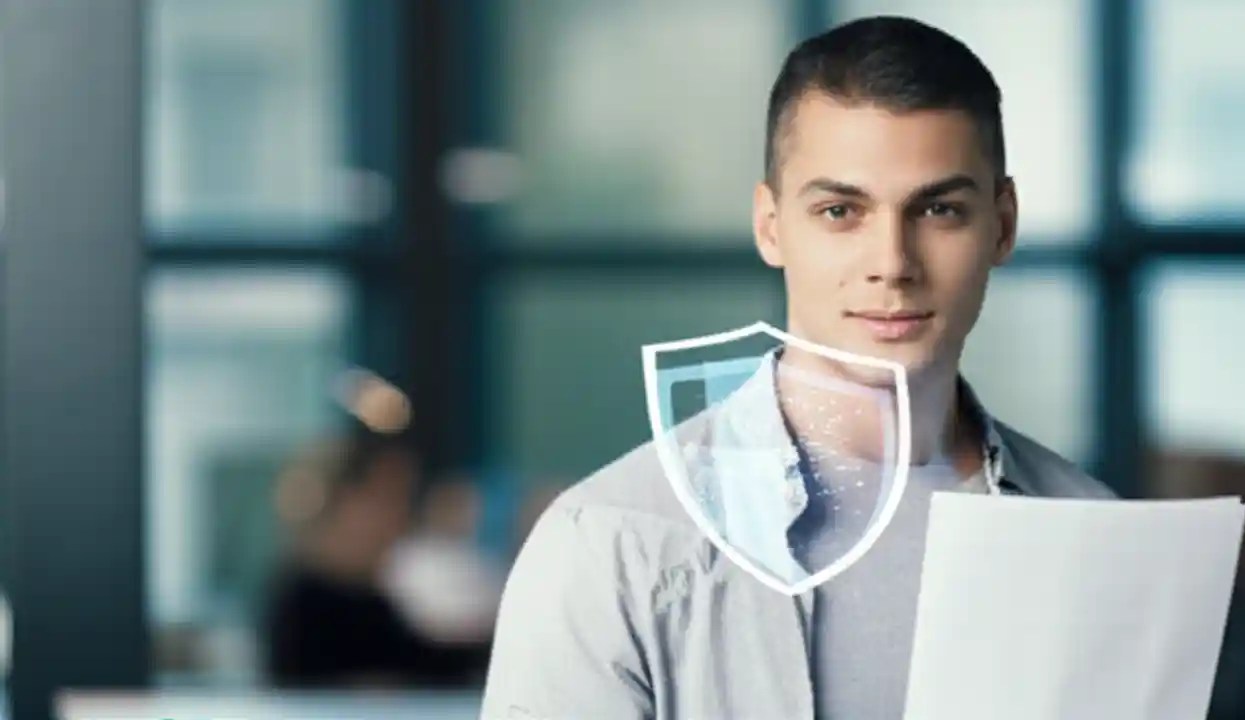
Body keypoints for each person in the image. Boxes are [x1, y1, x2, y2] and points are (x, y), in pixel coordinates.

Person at [481, 15, 1115, 719]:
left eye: (938, 209)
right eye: (841, 210)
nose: (892, 265)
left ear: (1002, 224)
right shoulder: (612, 546)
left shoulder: (1100, 535)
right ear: (771, 227)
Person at [263, 427, 489, 688]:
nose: (402, 520)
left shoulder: (370, 600)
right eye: (391, 499)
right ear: (349, 503)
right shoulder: (304, 608)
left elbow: (428, 663)